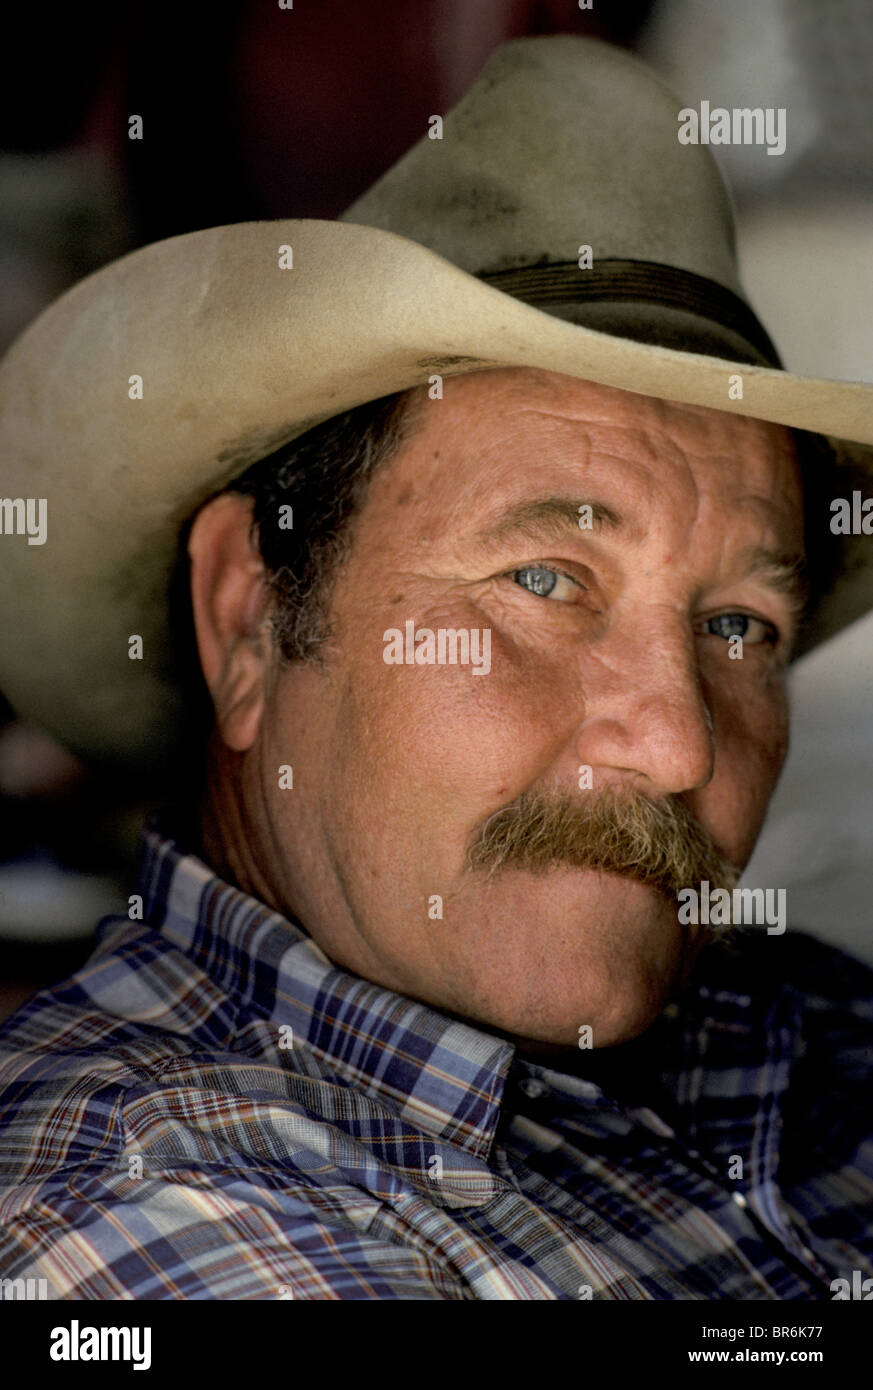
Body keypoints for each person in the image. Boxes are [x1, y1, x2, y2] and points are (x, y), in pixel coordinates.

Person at [0, 36, 871, 1301]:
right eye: (544, 582)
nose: (679, 745)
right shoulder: (147, 1223)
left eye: (739, 625)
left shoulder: (796, 1022)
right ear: (249, 614)